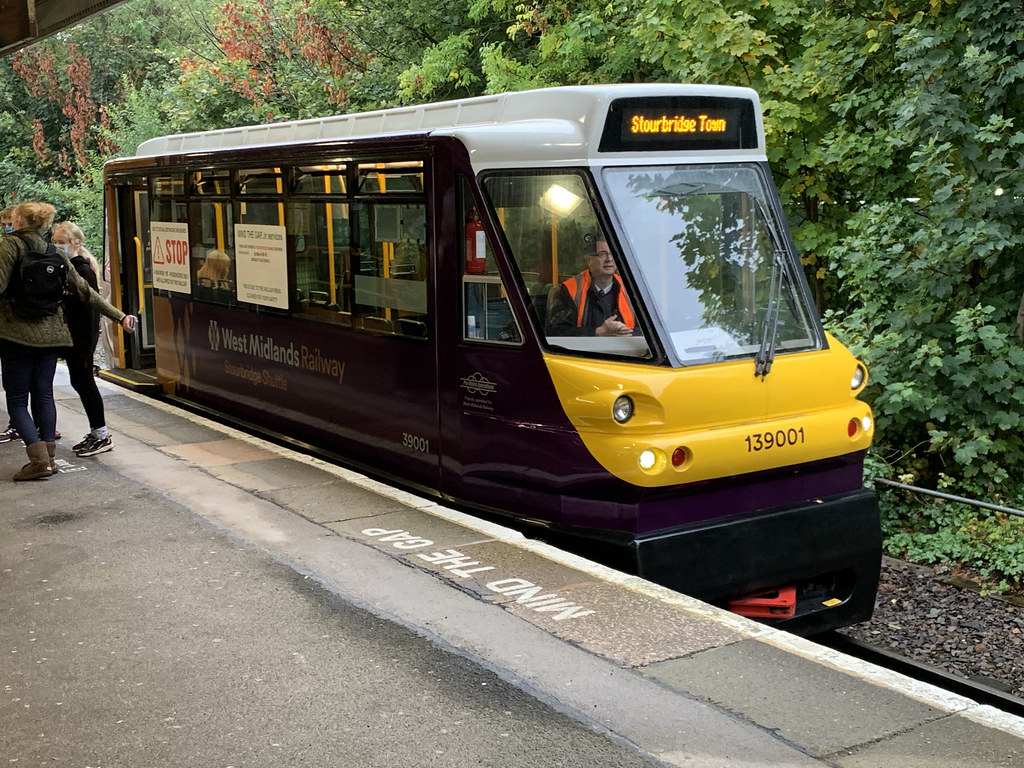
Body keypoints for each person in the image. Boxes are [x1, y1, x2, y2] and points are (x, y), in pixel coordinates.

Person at [0, 202, 137, 480]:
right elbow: (86, 292)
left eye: (12, 218)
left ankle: (38, 461)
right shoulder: (54, 254)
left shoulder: (9, 246)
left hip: (16, 333)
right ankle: (50, 459)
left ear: (19, 221)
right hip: (52, 336)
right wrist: (119, 316)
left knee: (16, 399)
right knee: (44, 394)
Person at [52, 221, 115, 457]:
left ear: (75, 243)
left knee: (85, 383)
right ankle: (97, 432)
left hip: (81, 339)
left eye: (62, 242)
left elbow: (90, 310)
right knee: (80, 382)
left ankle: (101, 434)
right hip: (73, 339)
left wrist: (85, 345)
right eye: (55, 242)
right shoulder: (66, 268)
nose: (57, 246)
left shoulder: (83, 271)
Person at [545, 229, 636, 337]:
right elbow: (555, 332)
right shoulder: (568, 290)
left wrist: (627, 333)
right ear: (588, 260)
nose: (609, 259)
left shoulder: (631, 290)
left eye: (613, 253)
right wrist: (597, 332)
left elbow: (649, 331)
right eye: (602, 254)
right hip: (582, 353)